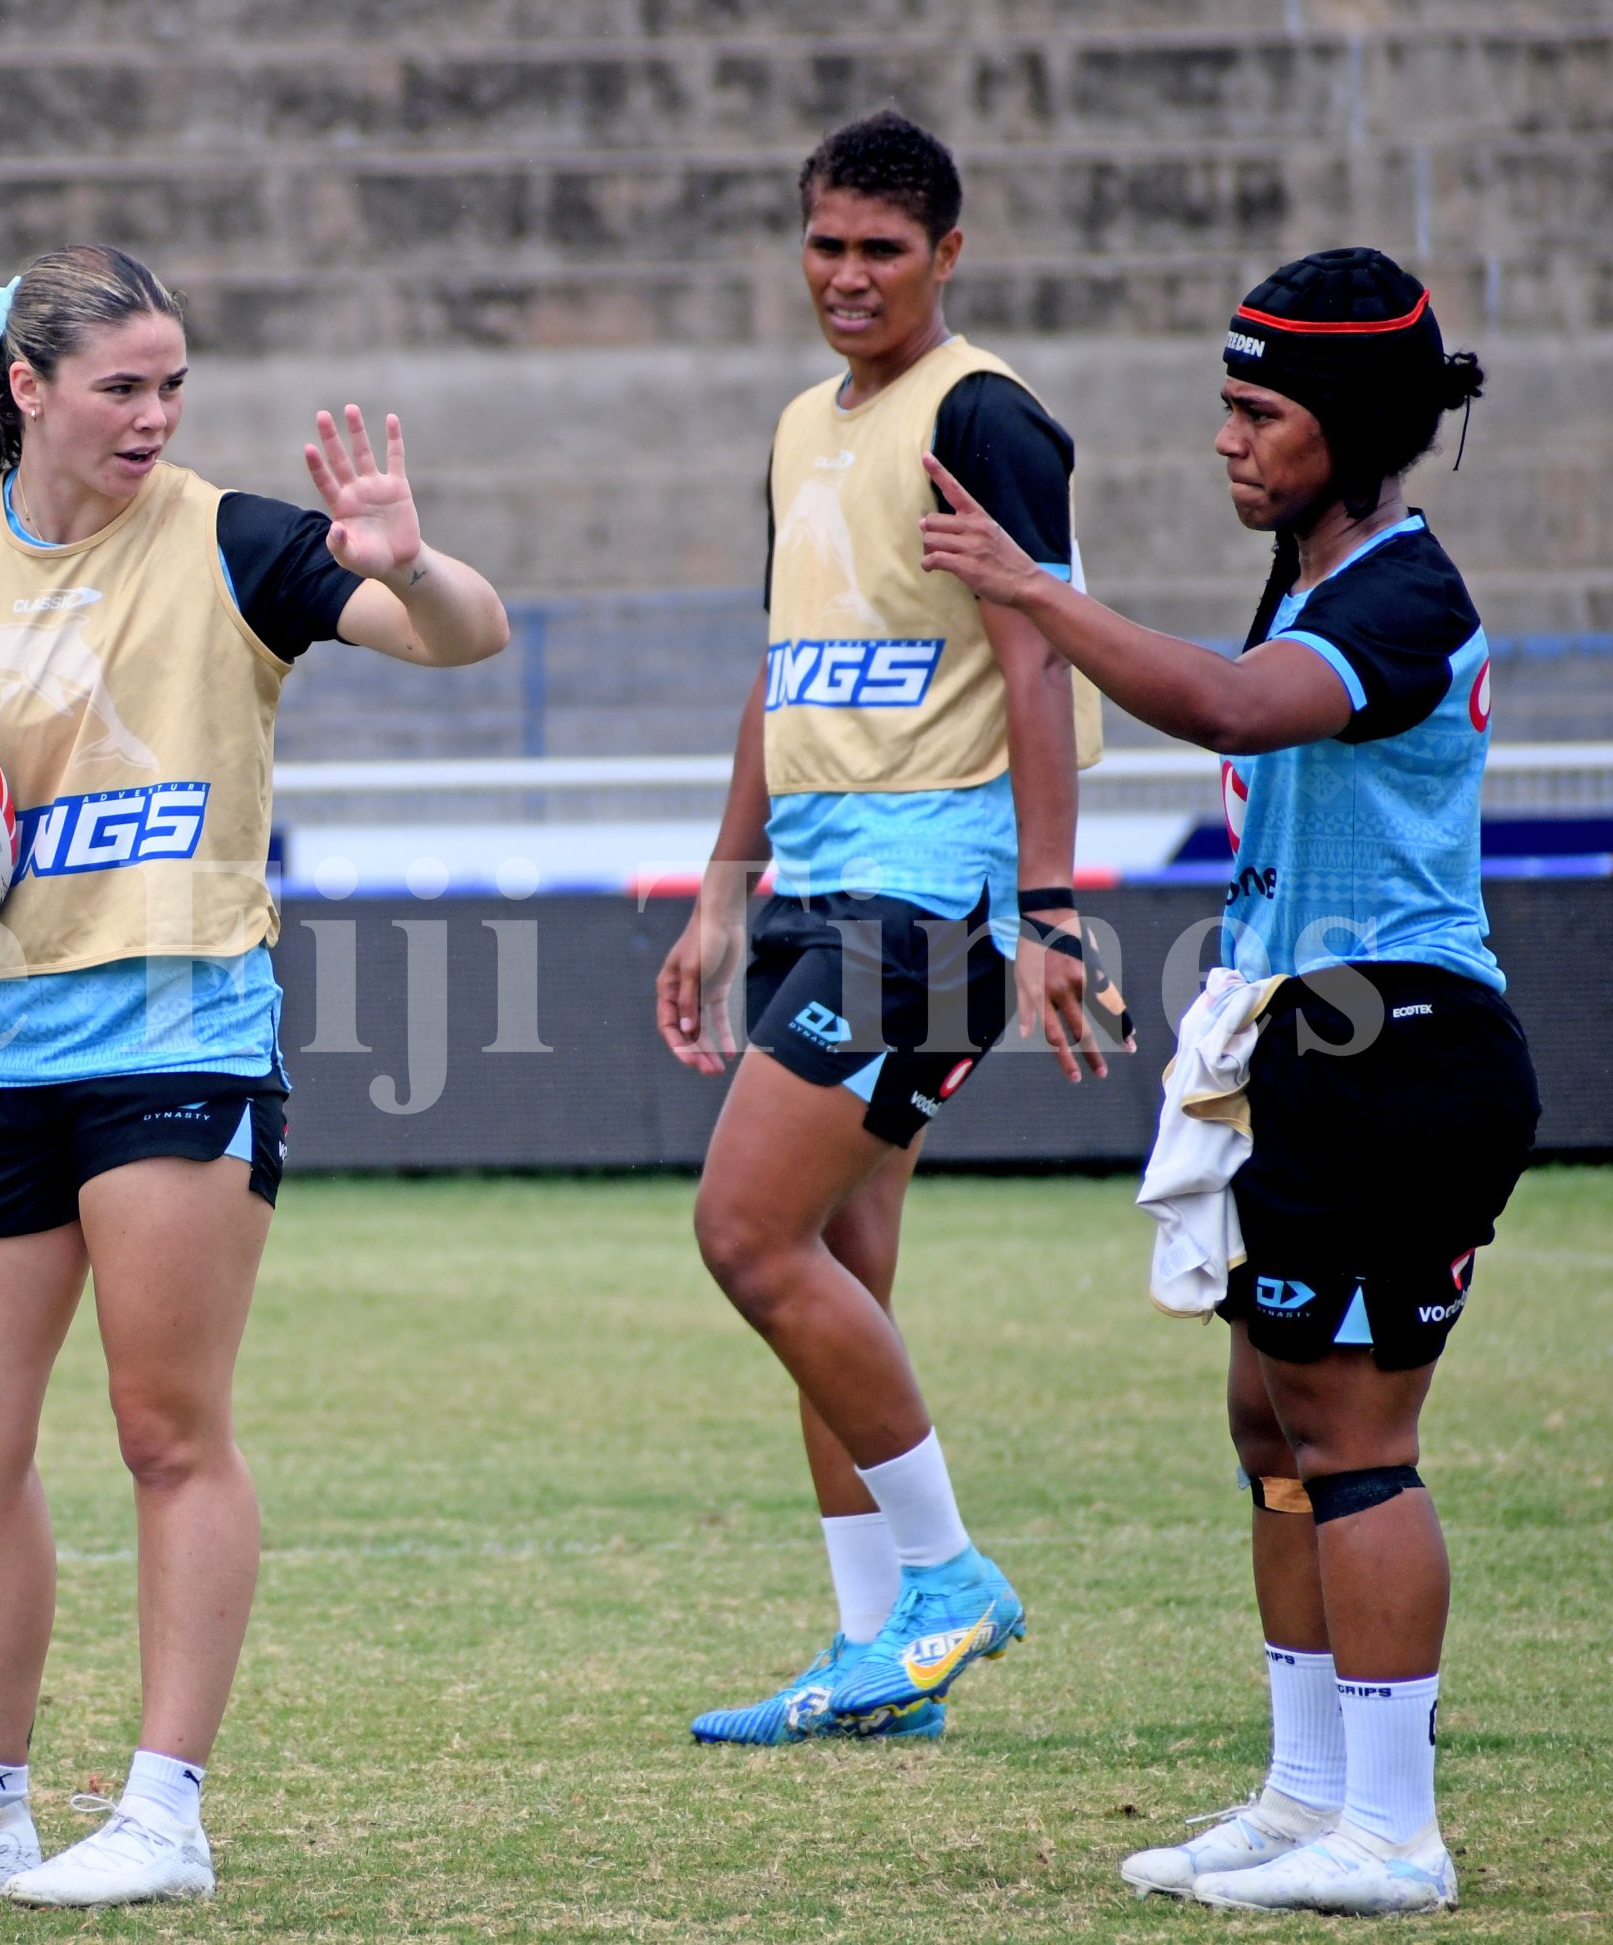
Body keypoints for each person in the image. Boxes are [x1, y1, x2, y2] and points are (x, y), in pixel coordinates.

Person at [0, 245, 508, 1910]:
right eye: (123, 385)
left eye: (174, 384)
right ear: (25, 387)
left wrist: (414, 560)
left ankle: (164, 1814)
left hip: (177, 1040)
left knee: (166, 1434)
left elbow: (462, 638)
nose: (156, 414)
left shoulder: (236, 532)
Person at [921, 246, 1523, 1916]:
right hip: (1308, 1043)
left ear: (1350, 423)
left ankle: (1394, 1828)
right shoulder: (1317, 579)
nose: (1229, 441)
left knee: (1356, 1434)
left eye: (1261, 413)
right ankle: (1307, 1792)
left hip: (1400, 1045)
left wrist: (1033, 590)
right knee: (1270, 1414)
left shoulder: (1401, 592)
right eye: (1227, 406)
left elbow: (1239, 705)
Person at [658, 110, 1117, 1748]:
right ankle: (878, 1664)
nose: (849, 277)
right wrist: (722, 882)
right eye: (827, 244)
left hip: (931, 908)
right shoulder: (800, 428)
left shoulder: (984, 418)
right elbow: (784, 668)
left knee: (745, 1237)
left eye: (883, 250)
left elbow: (1042, 661)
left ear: (949, 255)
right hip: (815, 894)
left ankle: (946, 1581)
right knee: (839, 1273)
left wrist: (1052, 910)